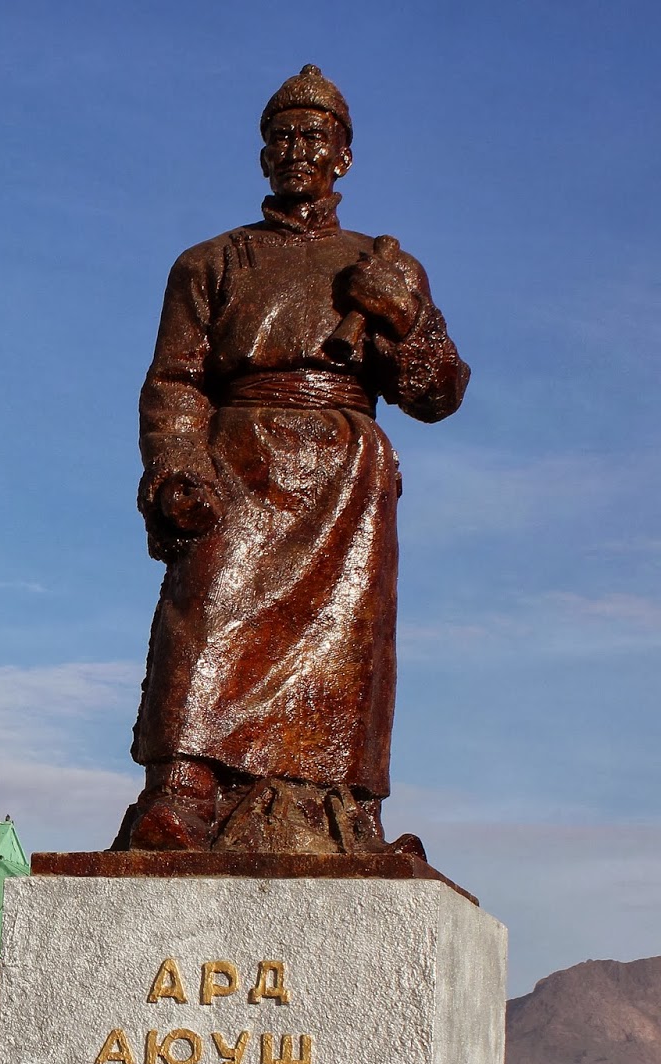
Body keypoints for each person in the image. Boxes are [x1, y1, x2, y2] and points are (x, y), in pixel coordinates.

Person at [113, 65, 468, 855]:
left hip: (347, 474)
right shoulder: (210, 262)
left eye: (314, 135)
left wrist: (406, 318)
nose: (297, 149)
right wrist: (178, 467)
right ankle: (182, 791)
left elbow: (438, 393)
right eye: (282, 136)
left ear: (344, 155)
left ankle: (347, 810)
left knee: (349, 641)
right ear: (263, 153)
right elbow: (174, 382)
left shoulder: (383, 266)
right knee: (204, 610)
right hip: (237, 458)